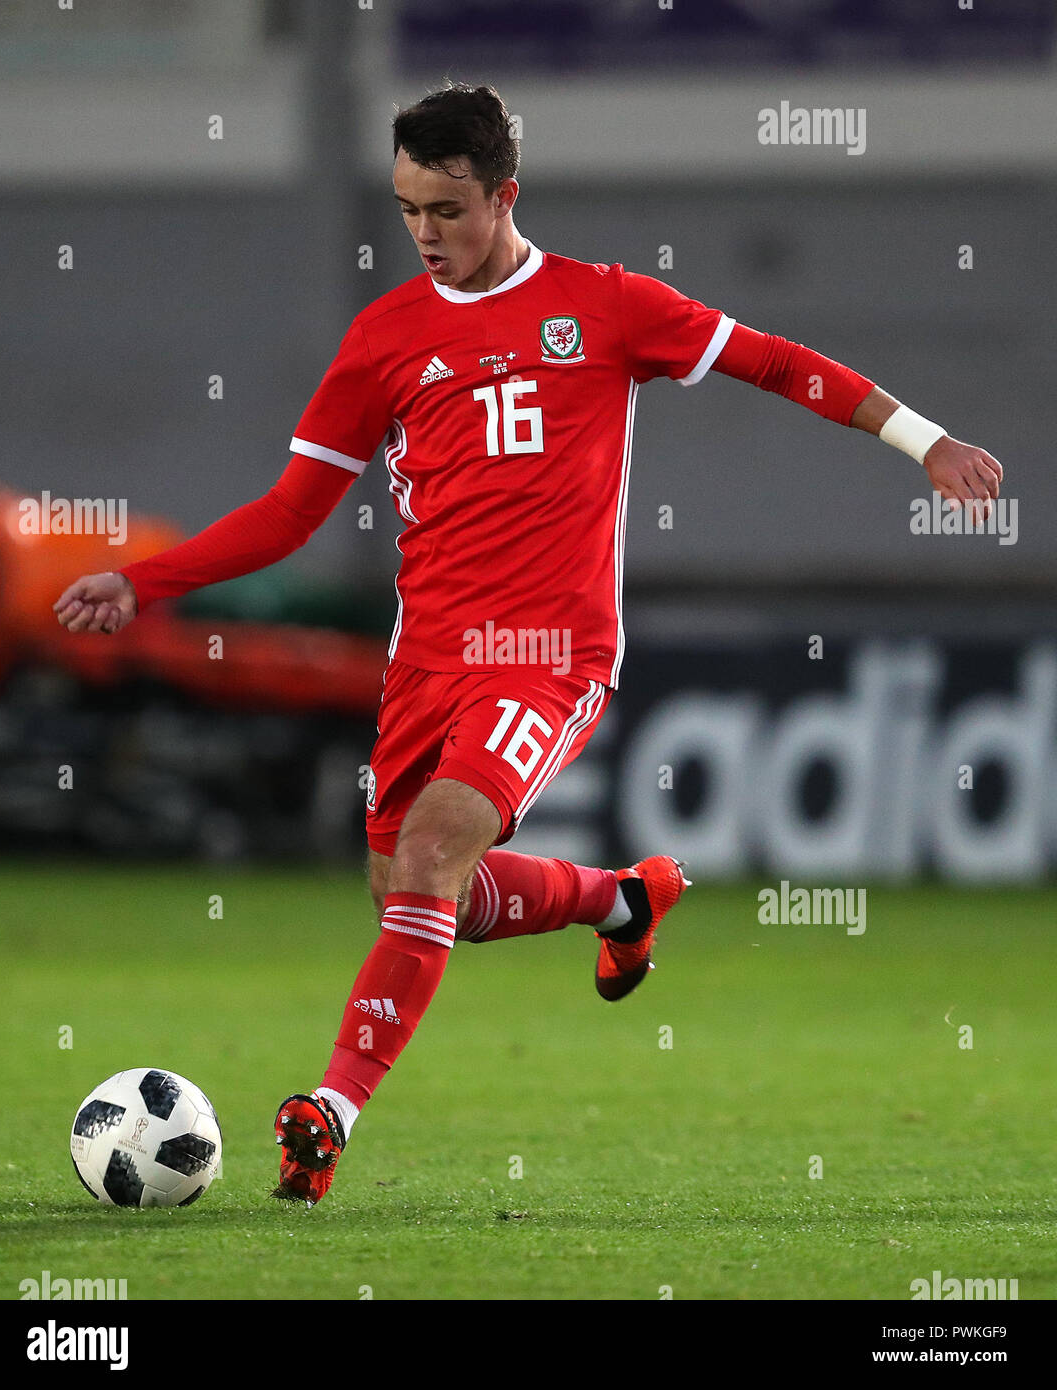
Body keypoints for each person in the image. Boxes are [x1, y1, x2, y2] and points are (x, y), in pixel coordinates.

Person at [54, 83, 1002, 1208]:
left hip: (550, 652)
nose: (424, 233)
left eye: (446, 209)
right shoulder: (386, 338)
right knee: (409, 890)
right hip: (428, 660)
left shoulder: (605, 306)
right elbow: (293, 509)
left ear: (505, 194)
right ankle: (621, 902)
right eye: (407, 209)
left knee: (432, 849)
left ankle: (330, 1111)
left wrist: (924, 438)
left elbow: (775, 362)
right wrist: (143, 579)